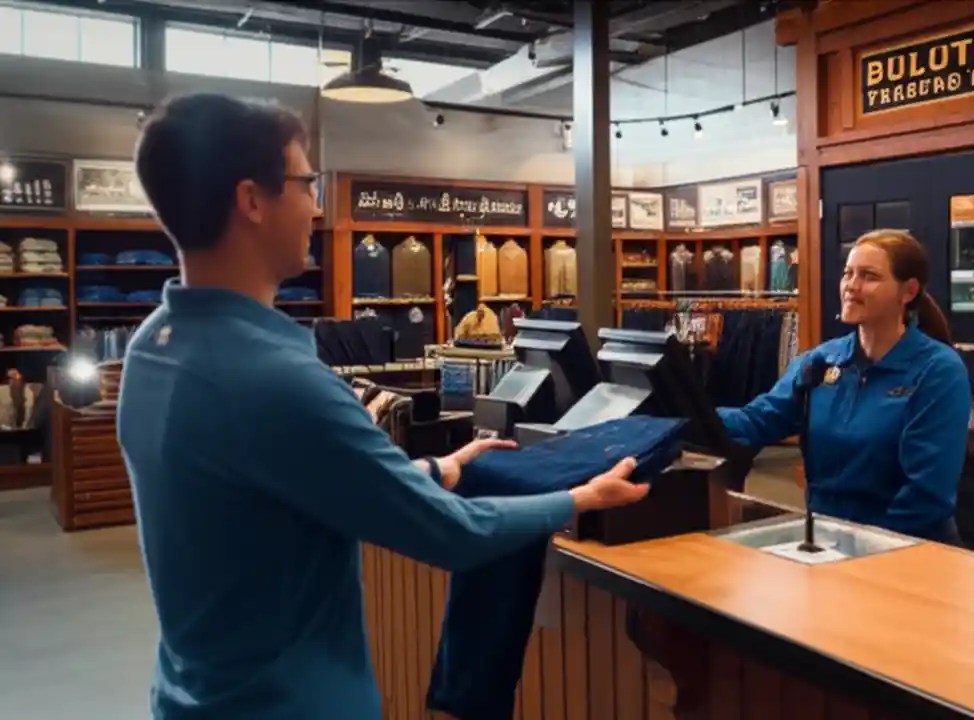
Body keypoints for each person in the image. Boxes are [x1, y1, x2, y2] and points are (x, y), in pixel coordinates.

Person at [116, 93, 649, 720]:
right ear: (252, 200)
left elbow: (284, 494)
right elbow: (452, 534)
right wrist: (579, 498)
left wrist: (438, 469)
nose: (318, 205)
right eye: (306, 182)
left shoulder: (153, 346)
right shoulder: (276, 381)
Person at [717, 230, 971, 544]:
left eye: (869, 276)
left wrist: (863, 548)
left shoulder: (938, 370)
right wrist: (680, 417)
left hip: (907, 554)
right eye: (848, 273)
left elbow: (927, 494)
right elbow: (757, 421)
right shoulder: (821, 361)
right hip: (826, 545)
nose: (851, 285)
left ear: (908, 291)